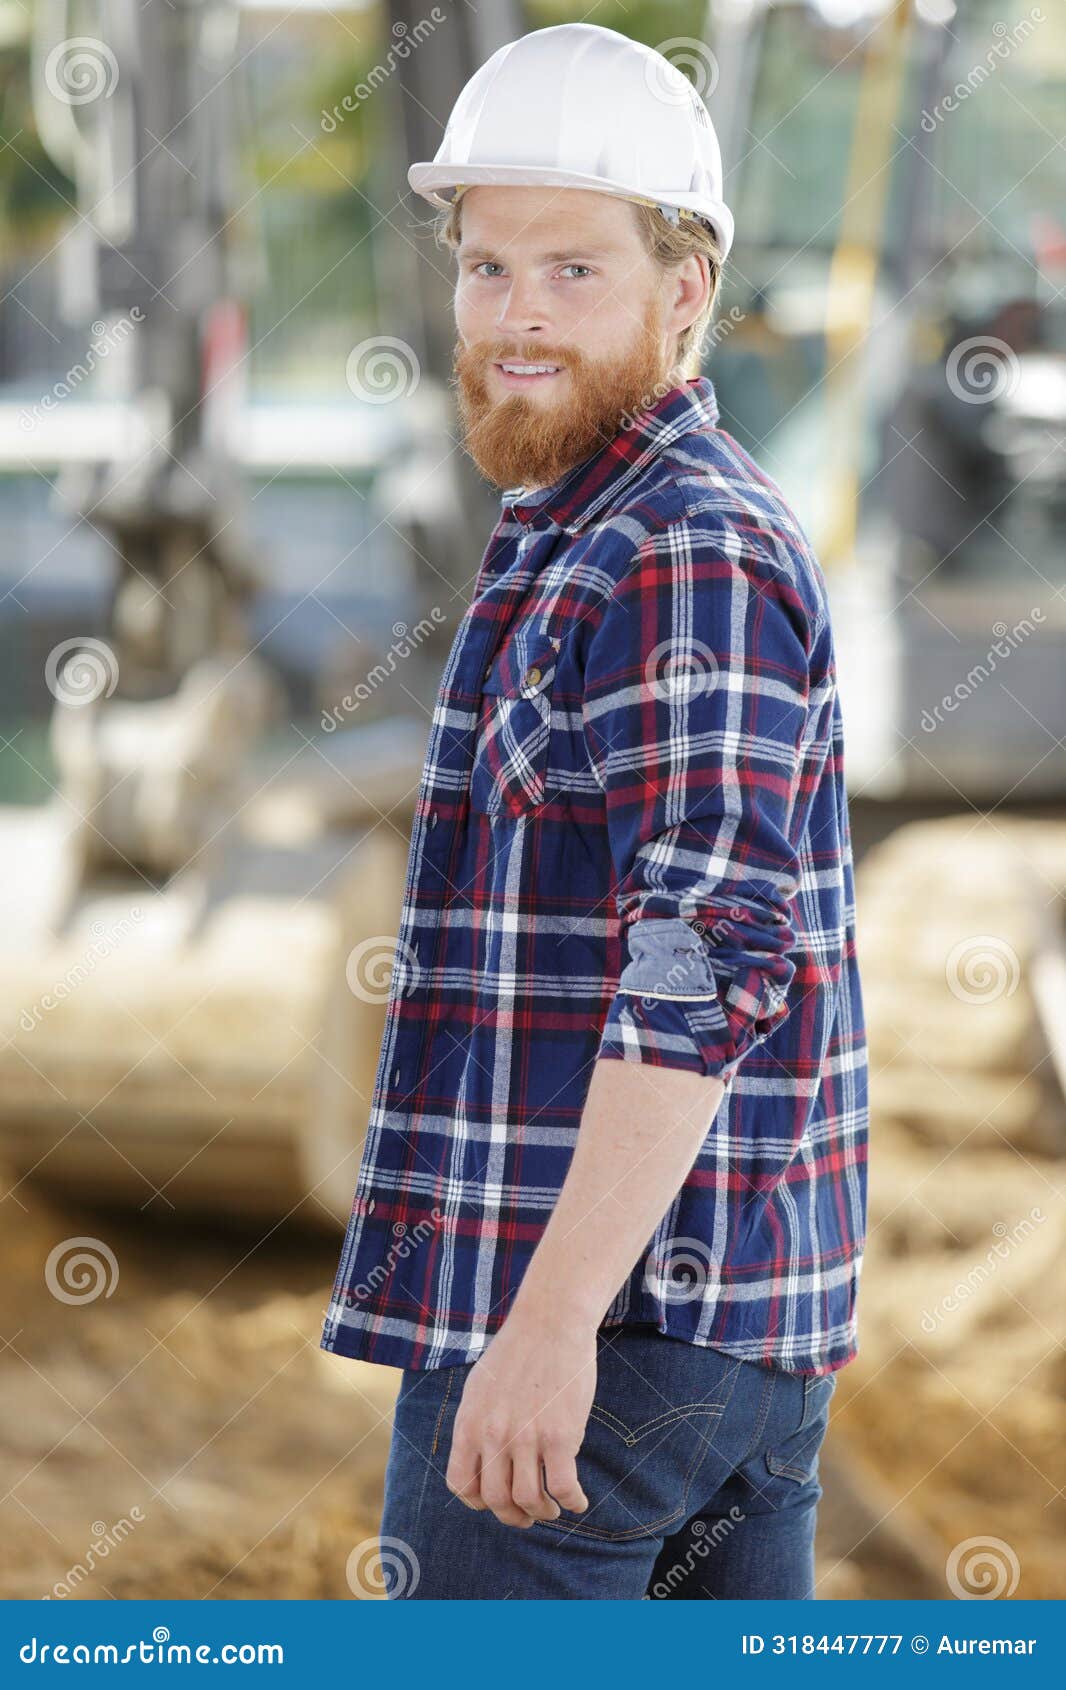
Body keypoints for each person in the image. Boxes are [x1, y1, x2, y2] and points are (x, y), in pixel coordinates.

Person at [321, 21, 868, 1601]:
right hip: (700, 1342)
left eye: (571, 271)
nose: (511, 318)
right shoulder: (586, 522)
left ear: (683, 290)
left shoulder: (673, 548)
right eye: (486, 268)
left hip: (596, 1343)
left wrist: (549, 1320)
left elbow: (708, 956)